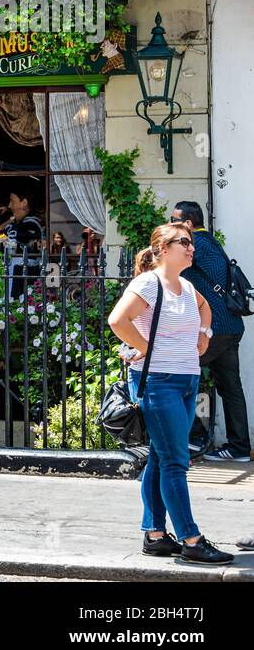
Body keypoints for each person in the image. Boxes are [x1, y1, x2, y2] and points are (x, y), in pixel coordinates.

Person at [107, 222, 233, 564]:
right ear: (163, 249)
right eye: (184, 243)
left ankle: (155, 535)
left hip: (186, 380)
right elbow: (118, 321)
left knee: (163, 458)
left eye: (191, 243)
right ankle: (191, 539)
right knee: (177, 460)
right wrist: (146, 347)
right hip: (159, 381)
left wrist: (204, 333)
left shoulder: (188, 287)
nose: (191, 248)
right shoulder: (148, 283)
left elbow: (207, 308)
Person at [171, 201, 250, 462]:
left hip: (213, 330)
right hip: (231, 327)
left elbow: (169, 273)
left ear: (189, 224)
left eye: (175, 220)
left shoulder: (193, 247)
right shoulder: (212, 243)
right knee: (231, 388)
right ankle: (238, 448)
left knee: (175, 374)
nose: (170, 225)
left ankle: (194, 437)